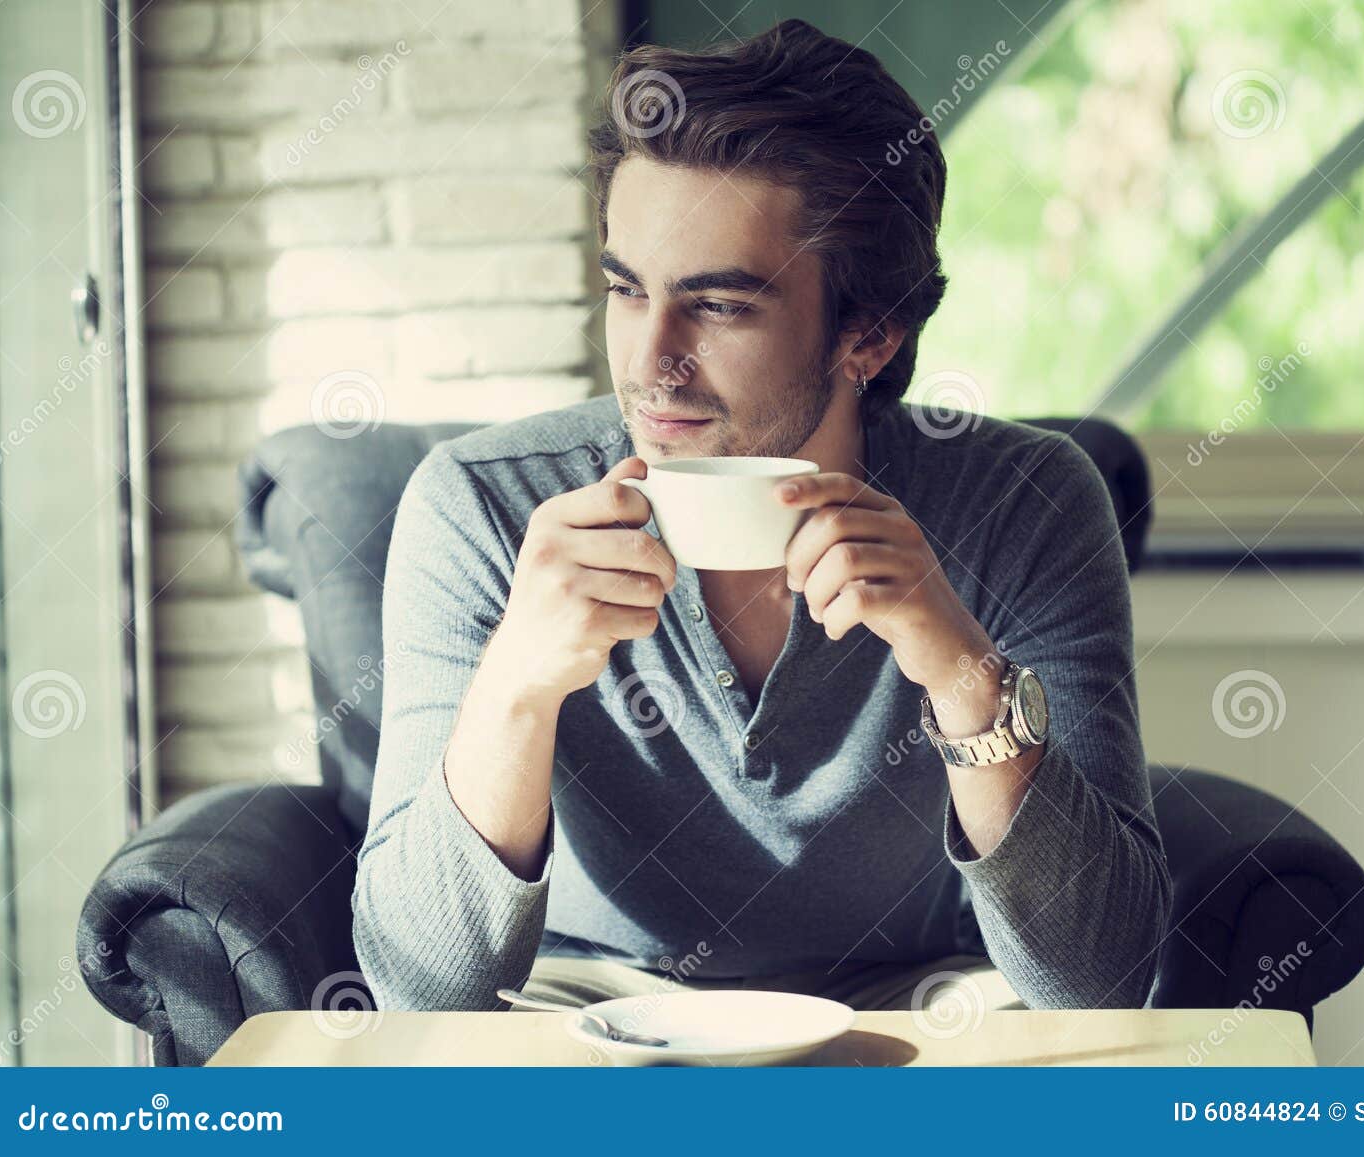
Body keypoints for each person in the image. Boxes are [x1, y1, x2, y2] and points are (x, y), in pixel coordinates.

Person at [353, 18, 1170, 1018]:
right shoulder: (480, 507)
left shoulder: (1028, 503)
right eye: (626, 290)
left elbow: (1100, 980)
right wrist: (517, 682)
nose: (652, 359)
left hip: (914, 1019)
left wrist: (957, 666)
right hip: (582, 1020)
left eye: (721, 305)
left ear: (869, 331)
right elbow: (417, 988)